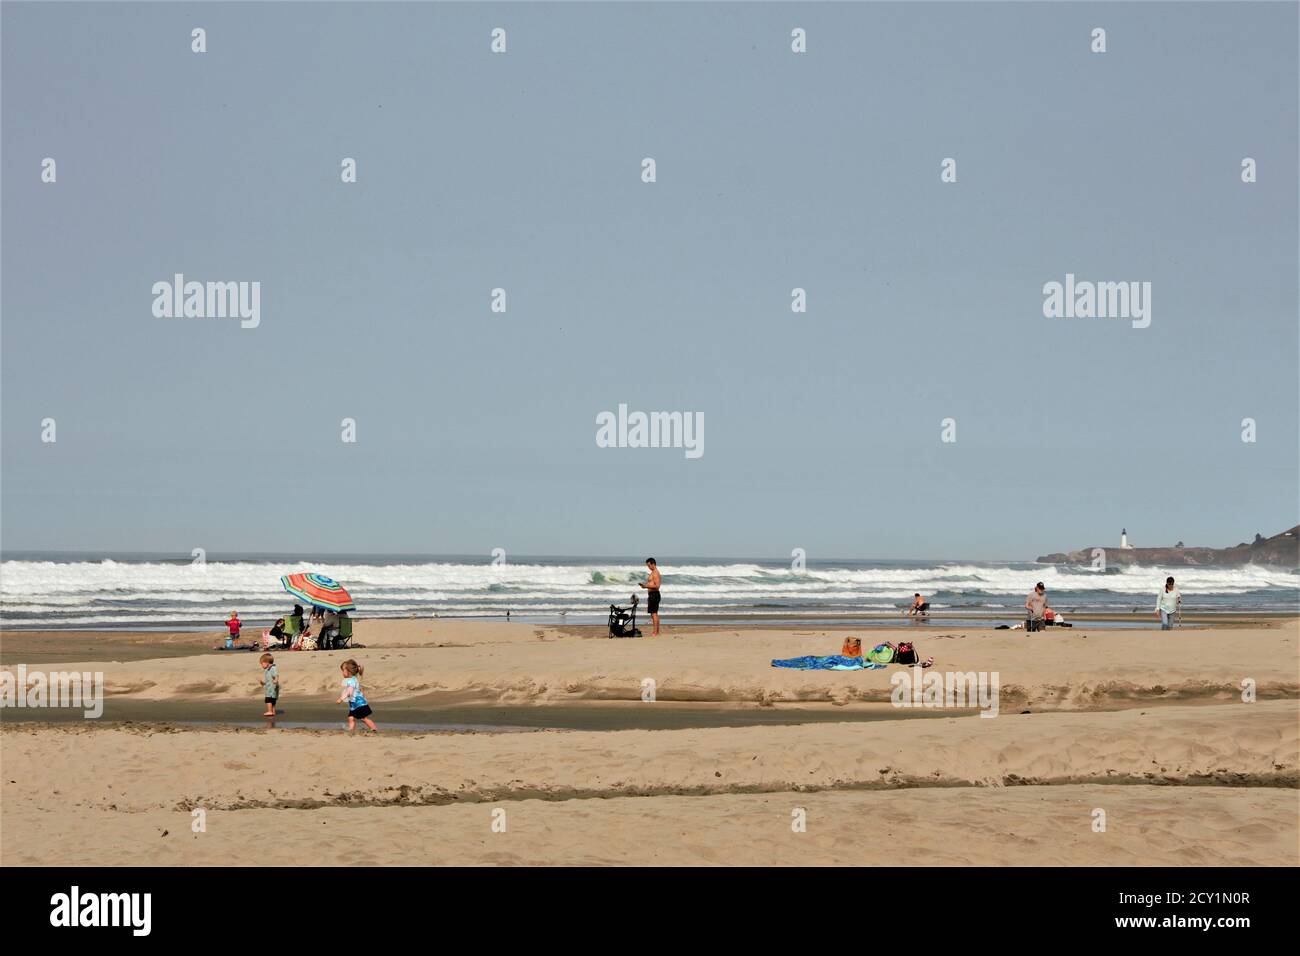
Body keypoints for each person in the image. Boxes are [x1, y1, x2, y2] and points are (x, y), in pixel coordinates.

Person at [336, 659, 377, 732]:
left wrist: (341, 699)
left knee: (363, 718)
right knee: (351, 718)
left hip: (359, 704)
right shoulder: (353, 679)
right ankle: (351, 730)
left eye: (343, 671)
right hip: (354, 704)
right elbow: (360, 688)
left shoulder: (351, 681)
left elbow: (349, 692)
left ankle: (374, 729)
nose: (342, 673)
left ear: (348, 671)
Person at [638, 558, 662, 636]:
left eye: (649, 565)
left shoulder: (655, 573)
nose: (648, 567)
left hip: (654, 594)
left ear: (653, 564)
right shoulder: (653, 572)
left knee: (654, 614)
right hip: (653, 594)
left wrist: (646, 586)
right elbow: (652, 584)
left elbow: (657, 586)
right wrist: (645, 586)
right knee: (654, 613)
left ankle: (655, 632)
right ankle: (657, 632)